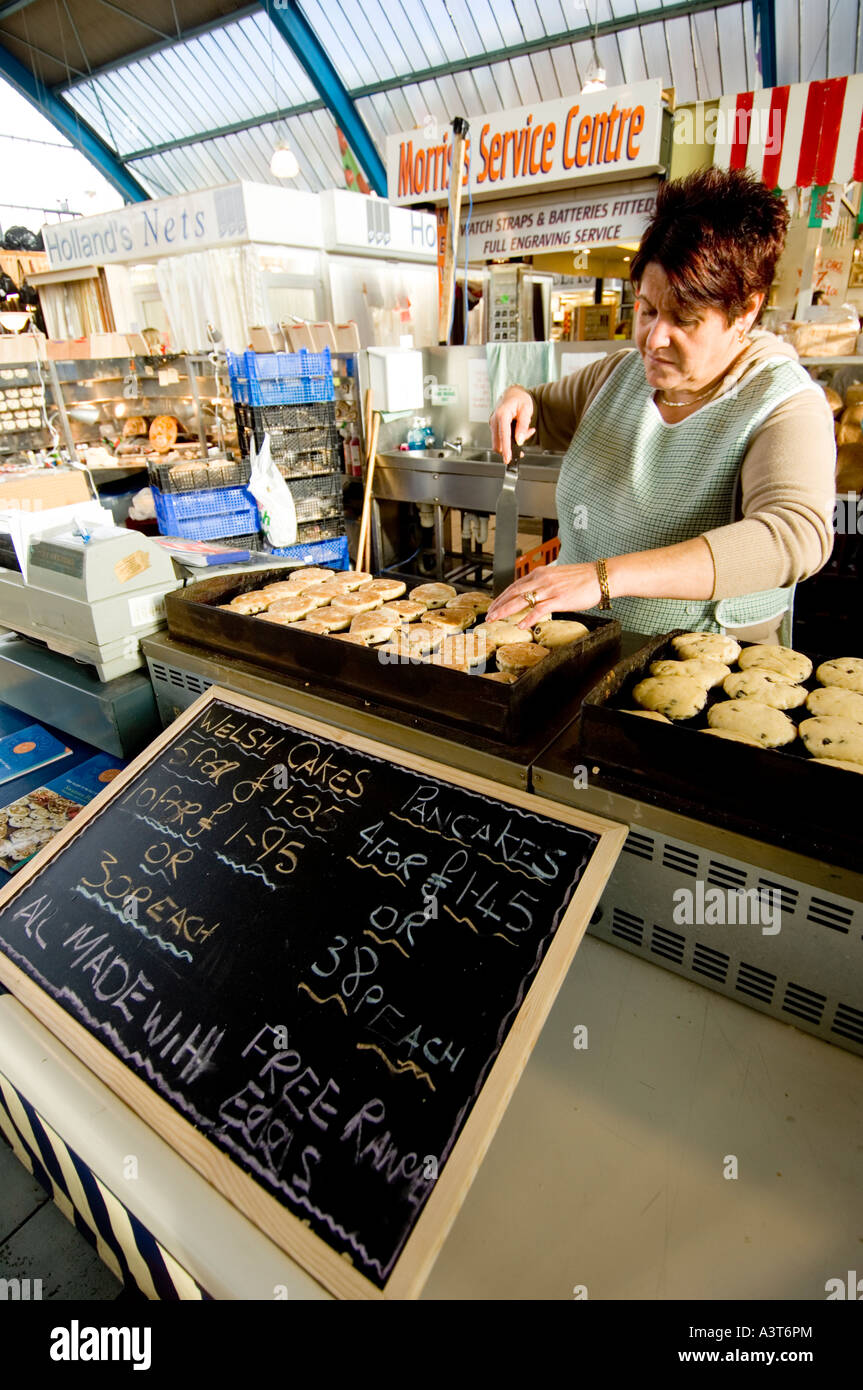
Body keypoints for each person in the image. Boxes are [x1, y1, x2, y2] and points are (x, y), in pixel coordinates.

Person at [487, 167, 836, 643]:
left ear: (746, 311)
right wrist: (518, 397)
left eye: (684, 319)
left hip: (694, 670)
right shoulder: (619, 375)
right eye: (647, 309)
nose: (654, 338)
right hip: (573, 647)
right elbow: (542, 410)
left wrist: (603, 578)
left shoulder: (782, 403)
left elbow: (792, 535)